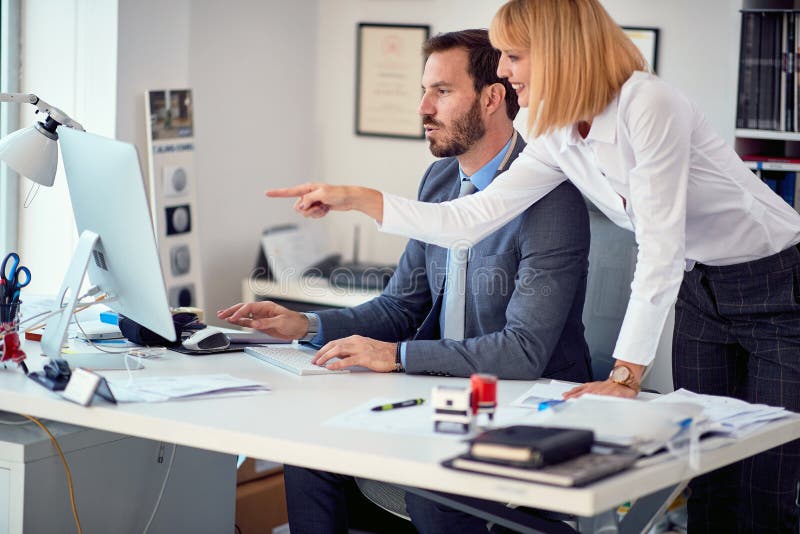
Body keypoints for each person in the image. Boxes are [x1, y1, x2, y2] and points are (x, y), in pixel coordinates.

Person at [268, 1, 800, 532]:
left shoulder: (648, 102)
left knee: (764, 484)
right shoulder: (557, 134)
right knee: (707, 475)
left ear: (560, 52)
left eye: (514, 55)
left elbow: (659, 247)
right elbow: (470, 218)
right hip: (698, 283)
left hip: (775, 282)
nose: (503, 70)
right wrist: (359, 198)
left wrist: (624, 376)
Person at [221, 28, 592, 533]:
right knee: (308, 451)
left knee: (433, 487)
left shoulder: (551, 198)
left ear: (491, 97)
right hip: (443, 398)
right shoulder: (439, 182)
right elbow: (400, 307)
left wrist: (395, 356)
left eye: (441, 91)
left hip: (524, 407)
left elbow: (523, 351)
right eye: (424, 91)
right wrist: (304, 325)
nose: (423, 108)